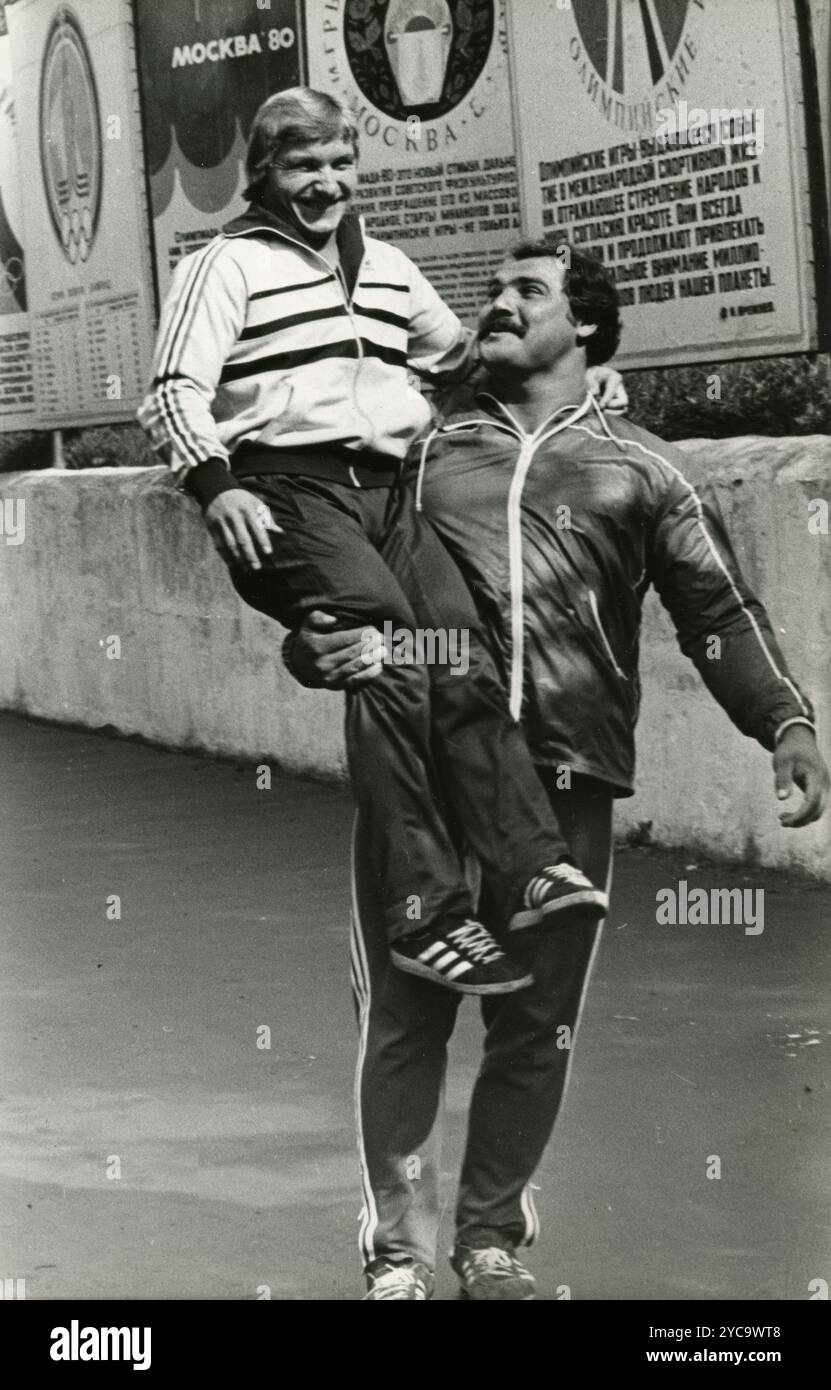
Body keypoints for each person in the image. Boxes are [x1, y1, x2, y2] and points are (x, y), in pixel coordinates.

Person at [287, 237, 829, 1300]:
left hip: (567, 783)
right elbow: (326, 580)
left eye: (523, 291)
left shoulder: (640, 467)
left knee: (536, 1024)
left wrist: (786, 724)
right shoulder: (419, 452)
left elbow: (716, 610)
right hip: (427, 787)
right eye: (489, 291)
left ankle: (489, 1242)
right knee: (407, 1015)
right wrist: (313, 648)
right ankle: (398, 1255)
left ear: (584, 324)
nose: (494, 303)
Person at [138, 88, 627, 996]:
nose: (325, 184)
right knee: (386, 656)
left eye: (338, 165)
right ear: (265, 174)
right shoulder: (225, 263)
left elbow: (461, 360)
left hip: (390, 495)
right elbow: (173, 388)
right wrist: (217, 488)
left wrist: (584, 376)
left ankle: (526, 866)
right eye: (302, 167)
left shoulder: (390, 266)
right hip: (289, 491)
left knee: (461, 651)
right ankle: (426, 917)